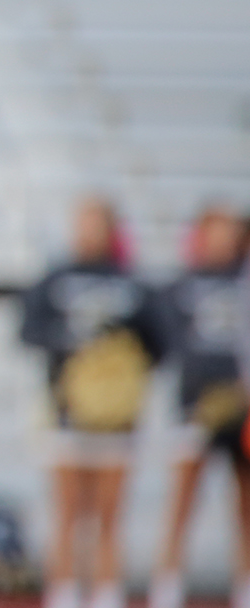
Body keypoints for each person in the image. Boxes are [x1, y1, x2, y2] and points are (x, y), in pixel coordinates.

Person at [19, 196, 166, 608]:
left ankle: (106, 592)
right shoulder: (55, 278)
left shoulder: (132, 283)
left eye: (95, 223)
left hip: (118, 419)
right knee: (67, 513)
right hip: (66, 413)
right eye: (81, 223)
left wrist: (120, 362)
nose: (86, 232)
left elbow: (160, 342)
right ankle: (63, 592)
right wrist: (73, 346)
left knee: (109, 514)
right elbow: (28, 331)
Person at [150, 206, 250, 608]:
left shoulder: (243, 282)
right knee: (182, 501)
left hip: (242, 408)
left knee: (245, 504)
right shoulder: (183, 285)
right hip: (195, 407)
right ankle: (168, 587)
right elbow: (169, 343)